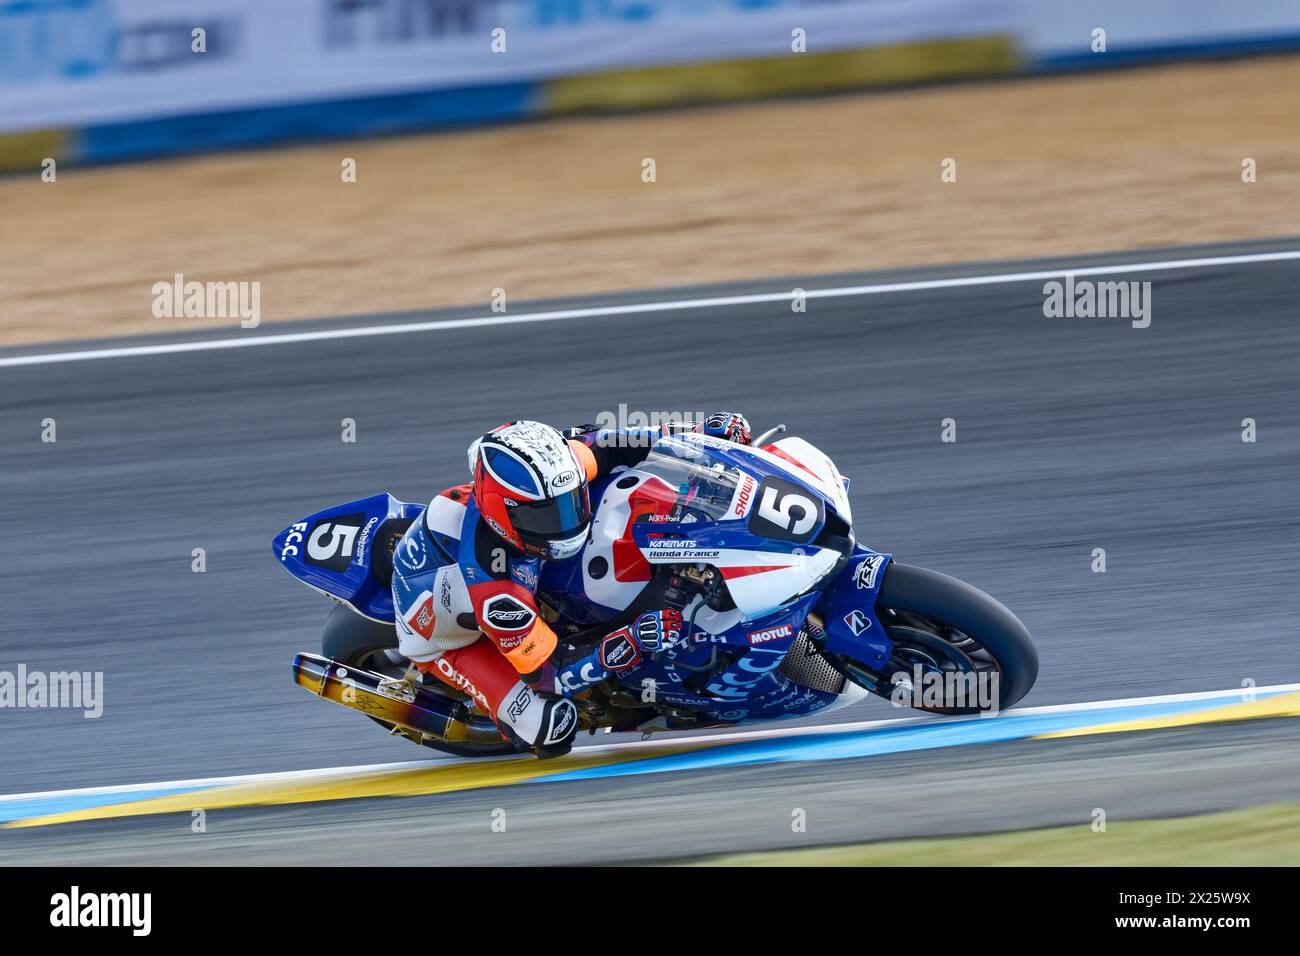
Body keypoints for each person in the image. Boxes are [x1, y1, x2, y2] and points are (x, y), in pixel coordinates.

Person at [389, 413, 752, 757]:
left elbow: (618, 442)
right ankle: (486, 710)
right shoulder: (496, 593)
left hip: (491, 557)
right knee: (549, 726)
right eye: (547, 514)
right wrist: (631, 639)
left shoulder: (558, 466)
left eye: (571, 501)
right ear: (504, 514)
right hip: (445, 637)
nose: (566, 520)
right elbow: (551, 675)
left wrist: (702, 431)